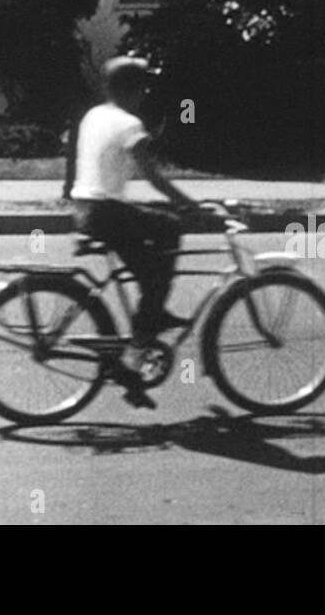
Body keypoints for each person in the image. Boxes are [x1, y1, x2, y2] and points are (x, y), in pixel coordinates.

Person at [69, 56, 210, 409]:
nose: (147, 93)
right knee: (159, 265)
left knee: (164, 229)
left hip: (86, 208)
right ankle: (136, 355)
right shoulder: (129, 124)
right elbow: (155, 177)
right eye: (144, 87)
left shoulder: (95, 115)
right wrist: (192, 205)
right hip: (107, 212)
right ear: (137, 89)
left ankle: (152, 313)